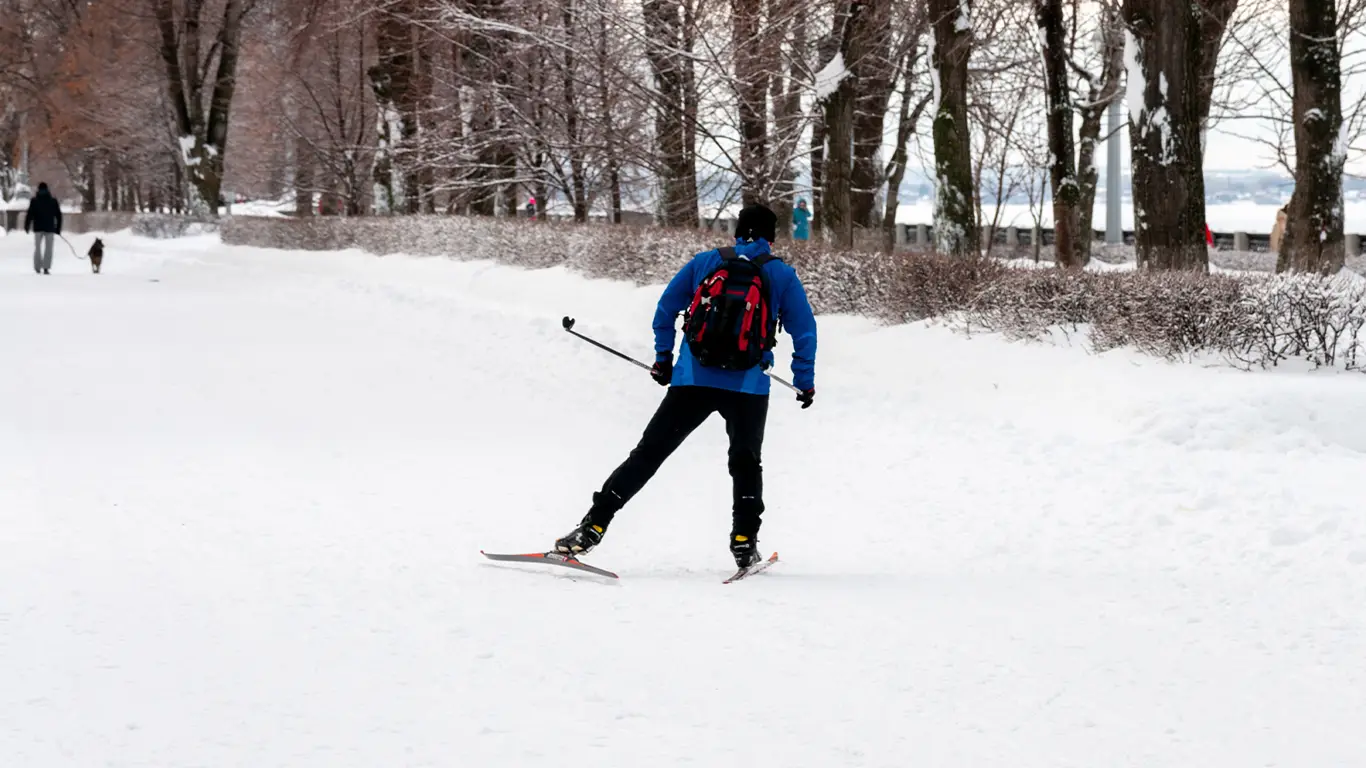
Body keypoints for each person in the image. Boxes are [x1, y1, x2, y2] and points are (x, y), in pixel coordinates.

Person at [554, 203, 818, 569]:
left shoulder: (706, 263)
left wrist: (663, 359)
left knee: (648, 454)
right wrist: (804, 382)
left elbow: (665, 310)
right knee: (745, 463)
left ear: (737, 232)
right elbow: (805, 332)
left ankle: (592, 526)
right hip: (748, 387)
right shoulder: (781, 274)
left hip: (692, 380)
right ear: (771, 237)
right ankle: (744, 541)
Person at [24, 182, 63, 275]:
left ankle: (37, 267)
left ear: (38, 189)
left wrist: (27, 225)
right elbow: (58, 215)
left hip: (38, 227)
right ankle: (46, 267)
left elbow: (30, 214)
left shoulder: (34, 201)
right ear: (47, 189)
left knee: (37, 248)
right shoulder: (53, 201)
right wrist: (58, 228)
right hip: (50, 227)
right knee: (49, 248)